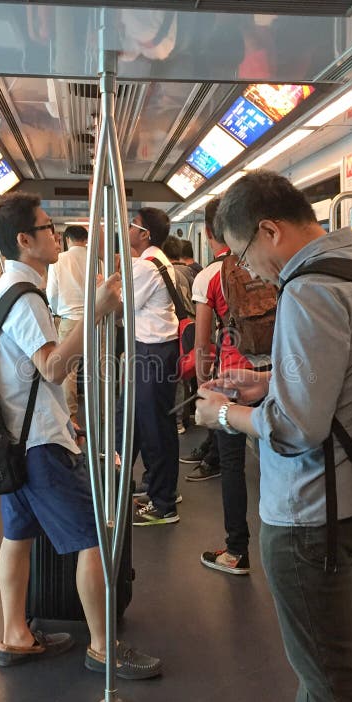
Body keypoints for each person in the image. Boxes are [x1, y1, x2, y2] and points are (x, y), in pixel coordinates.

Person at [195, 171, 352, 702]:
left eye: (243, 253)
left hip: (310, 510)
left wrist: (226, 414)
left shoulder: (309, 289)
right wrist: (269, 382)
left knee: (328, 679)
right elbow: (344, 378)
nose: (246, 268)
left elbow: (299, 428)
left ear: (270, 230)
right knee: (325, 666)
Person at [0, 193, 161, 677]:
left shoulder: (0, 289)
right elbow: (51, 367)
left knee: (17, 536)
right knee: (92, 537)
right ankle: (103, 648)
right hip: (38, 441)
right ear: (24, 240)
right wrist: (97, 311)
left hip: (14, 436)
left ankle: (15, 635)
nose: (54, 236)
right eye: (45, 229)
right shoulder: (25, 298)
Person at [188, 195, 252, 575]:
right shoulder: (265, 266)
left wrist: (203, 382)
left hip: (230, 379)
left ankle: (236, 551)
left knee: (232, 465)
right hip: (274, 375)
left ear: (209, 232)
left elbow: (202, 342)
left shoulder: (209, 276)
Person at [116, 207, 181, 526]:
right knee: (153, 424)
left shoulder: (145, 266)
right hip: (159, 349)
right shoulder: (155, 260)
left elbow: (121, 306)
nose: (126, 230)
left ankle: (163, 502)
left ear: (145, 234)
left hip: (152, 351)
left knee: (154, 428)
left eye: (131, 225)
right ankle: (159, 486)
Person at [46, 225, 91, 436]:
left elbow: (52, 293)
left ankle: (71, 416)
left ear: (67, 239)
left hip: (69, 320)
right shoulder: (98, 259)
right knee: (98, 368)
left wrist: (56, 311)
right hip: (95, 319)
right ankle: (98, 413)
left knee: (68, 371)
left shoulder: (59, 260)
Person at [161, 235, 195, 435]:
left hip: (175, 328)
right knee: (184, 374)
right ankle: (182, 418)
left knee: (176, 375)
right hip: (190, 326)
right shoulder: (189, 273)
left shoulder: (167, 273)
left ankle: (176, 420)